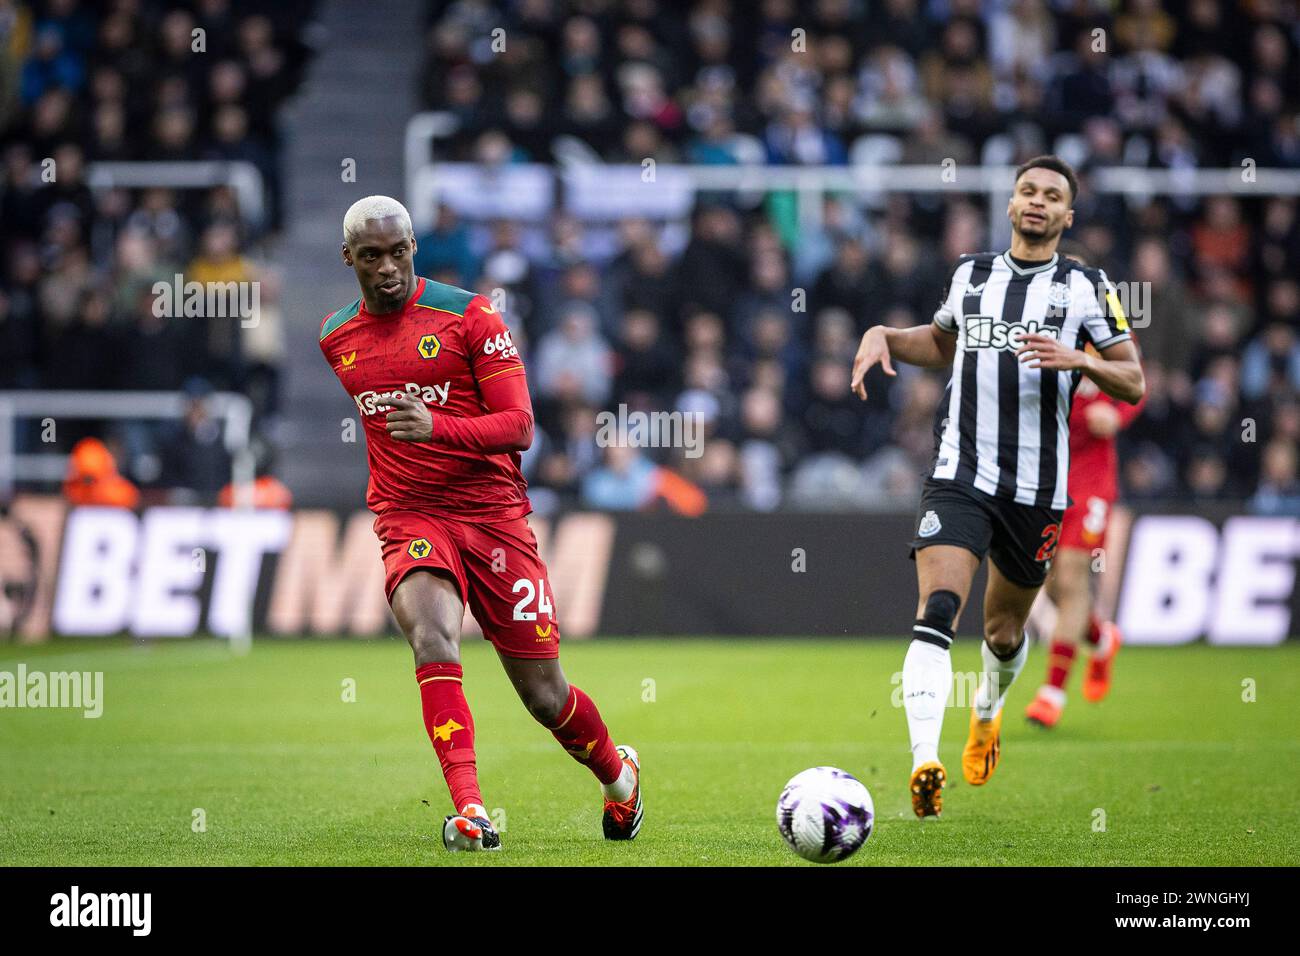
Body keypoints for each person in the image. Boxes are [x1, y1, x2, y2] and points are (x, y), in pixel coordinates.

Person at [320, 196, 641, 852]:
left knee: (545, 697)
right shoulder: (335, 337)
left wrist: (438, 425)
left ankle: (618, 777)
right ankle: (471, 810)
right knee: (433, 639)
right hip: (408, 513)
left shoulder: (470, 314)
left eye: (399, 252)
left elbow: (521, 426)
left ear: (415, 247)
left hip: (494, 520)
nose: (387, 268)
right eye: (372, 256)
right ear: (349, 258)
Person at [849, 157, 1145, 818]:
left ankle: (988, 710)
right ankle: (925, 761)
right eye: (1028, 191)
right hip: (960, 474)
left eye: (1052, 196)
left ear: (1068, 216)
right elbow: (942, 342)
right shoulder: (970, 274)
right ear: (1011, 204)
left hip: (1038, 491)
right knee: (936, 611)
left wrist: (1080, 358)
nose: (1037, 202)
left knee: (1005, 632)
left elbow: (1135, 382)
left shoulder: (1088, 288)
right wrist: (885, 335)